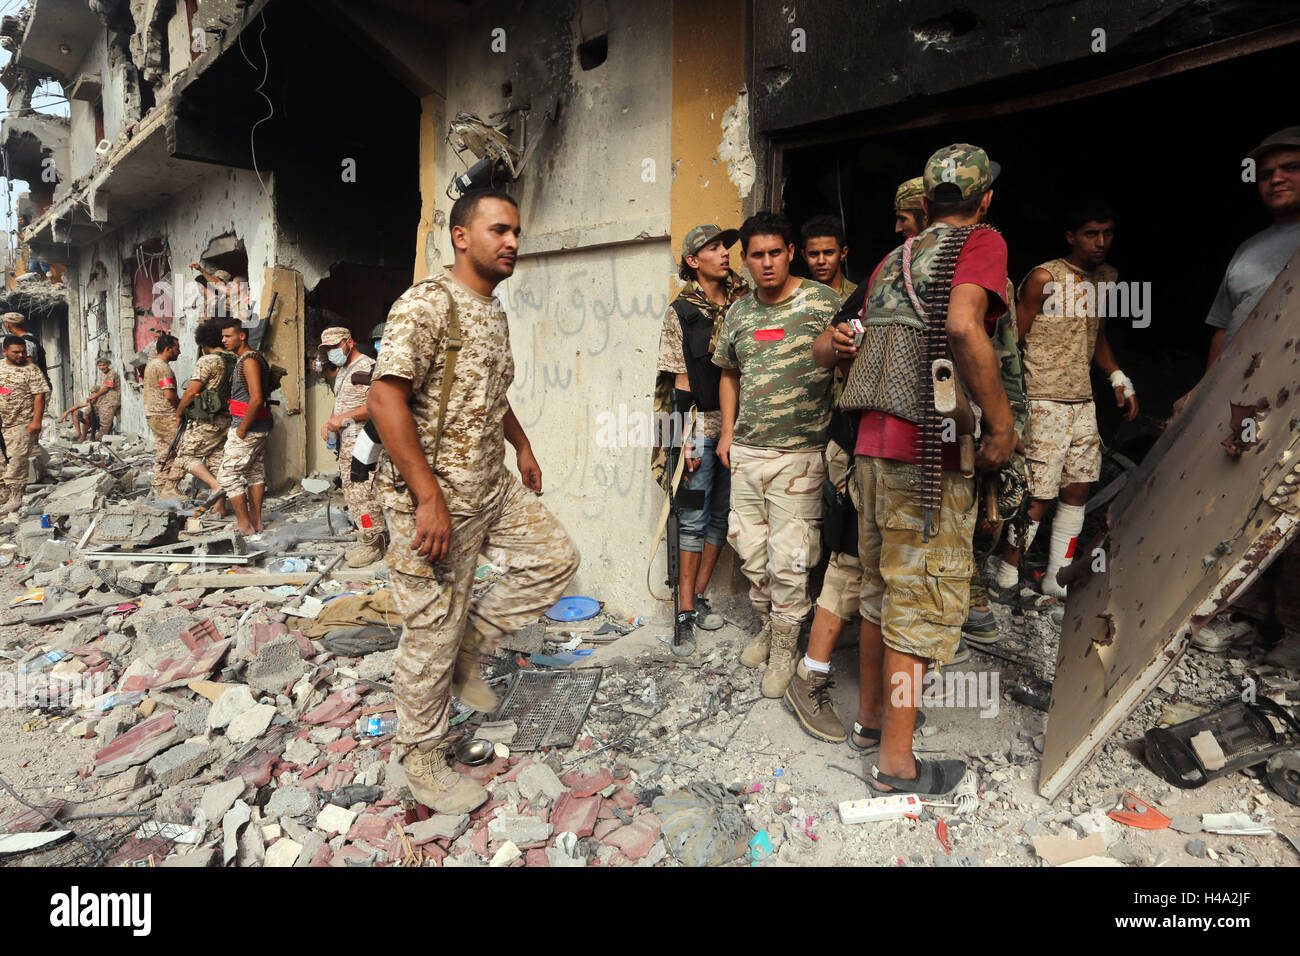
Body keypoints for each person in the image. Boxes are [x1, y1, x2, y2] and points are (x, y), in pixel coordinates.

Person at [368, 188, 580, 813]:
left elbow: (490, 390)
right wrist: (427, 497)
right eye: (498, 230)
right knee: (429, 633)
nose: (512, 241)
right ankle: (421, 759)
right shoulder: (429, 305)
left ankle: (471, 641)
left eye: (516, 230)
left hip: (489, 488)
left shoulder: (493, 311)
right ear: (462, 236)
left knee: (555, 559)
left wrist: (523, 446)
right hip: (431, 504)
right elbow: (385, 400)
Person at [815, 143, 1014, 795]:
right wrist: (1003, 424)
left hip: (871, 451)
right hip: (926, 456)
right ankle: (896, 764)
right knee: (921, 602)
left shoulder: (892, 259)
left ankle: (872, 721)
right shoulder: (981, 242)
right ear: (985, 199)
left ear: (926, 204)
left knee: (879, 593)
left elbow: (855, 347)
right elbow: (963, 326)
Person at [713, 211, 840, 698]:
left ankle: (786, 647)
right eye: (756, 255)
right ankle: (770, 624)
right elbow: (729, 372)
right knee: (749, 551)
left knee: (790, 559)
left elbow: (851, 362)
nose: (766, 263)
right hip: (747, 450)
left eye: (774, 253)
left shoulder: (822, 302)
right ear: (743, 260)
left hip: (801, 455)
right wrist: (727, 433)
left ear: (791, 252)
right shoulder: (740, 312)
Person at [992, 200, 1137, 604]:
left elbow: (1096, 336)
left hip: (1082, 402)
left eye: (1107, 233)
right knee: (1038, 493)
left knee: (1077, 490)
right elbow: (1012, 339)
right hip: (1042, 400)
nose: (1101, 242)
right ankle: (1005, 575)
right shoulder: (1044, 278)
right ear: (1071, 237)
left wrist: (1117, 377)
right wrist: (1004, 403)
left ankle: (1055, 581)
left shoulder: (1107, 278)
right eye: (1091, 234)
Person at [653, 224, 749, 647]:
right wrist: (685, 438)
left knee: (722, 517)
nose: (724, 253)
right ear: (694, 261)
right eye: (713, 248)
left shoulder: (744, 302)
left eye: (724, 246)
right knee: (691, 517)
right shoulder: (681, 312)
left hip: (741, 429)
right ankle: (684, 609)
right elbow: (677, 382)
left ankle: (701, 596)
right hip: (698, 430)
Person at [1193, 127, 1300, 385]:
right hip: (1242, 401)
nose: (1276, 179)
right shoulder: (1247, 250)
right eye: (1266, 174)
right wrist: (1203, 396)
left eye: (1291, 167)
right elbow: (1223, 329)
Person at [319, 324, 387, 567]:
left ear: (349, 342)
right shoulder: (344, 370)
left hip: (364, 444)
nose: (331, 352)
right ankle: (366, 536)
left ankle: (372, 543)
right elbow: (342, 403)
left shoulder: (367, 367)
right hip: (348, 444)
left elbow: (377, 405)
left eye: (335, 346)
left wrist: (339, 419)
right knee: (353, 494)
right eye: (327, 349)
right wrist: (330, 423)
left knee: (363, 494)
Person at [214, 318, 274, 534]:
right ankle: (257, 522)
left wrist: (241, 430)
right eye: (223, 336)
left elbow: (256, 399)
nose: (224, 340)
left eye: (228, 336)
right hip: (260, 424)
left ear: (242, 336)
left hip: (248, 426)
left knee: (228, 475)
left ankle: (244, 524)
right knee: (254, 472)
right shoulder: (252, 358)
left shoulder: (248, 360)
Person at [168, 320, 233, 518]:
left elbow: (191, 392)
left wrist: (179, 412)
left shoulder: (208, 360)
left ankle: (216, 486)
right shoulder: (234, 358)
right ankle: (219, 508)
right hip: (227, 419)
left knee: (186, 456)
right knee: (217, 461)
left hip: (208, 420)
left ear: (203, 343)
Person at [0, 335, 49, 515]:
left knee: (17, 460)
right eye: (16, 352)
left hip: (21, 422)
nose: (21, 355)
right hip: (2, 422)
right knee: (1, 462)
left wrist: (36, 421)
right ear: (5, 351)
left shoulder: (31, 369)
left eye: (23, 352)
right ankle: (3, 494)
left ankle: (16, 497)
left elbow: (40, 395)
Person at [143, 333, 182, 497]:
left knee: (165, 450)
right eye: (176, 349)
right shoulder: (162, 367)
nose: (179, 353)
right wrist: (182, 408)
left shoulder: (152, 364)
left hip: (153, 414)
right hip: (165, 414)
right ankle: (170, 487)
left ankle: (160, 485)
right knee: (184, 450)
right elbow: (169, 395)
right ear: (168, 349)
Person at [61, 358, 119, 442]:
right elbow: (79, 406)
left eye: (104, 365)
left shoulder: (111, 374)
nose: (102, 367)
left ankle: (99, 440)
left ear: (108, 364)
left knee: (105, 423)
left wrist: (95, 396)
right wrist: (66, 412)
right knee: (84, 413)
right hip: (102, 400)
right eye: (100, 365)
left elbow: (106, 388)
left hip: (111, 401)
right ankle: (82, 435)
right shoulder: (102, 374)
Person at [800, 215, 855, 301]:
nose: (821, 261)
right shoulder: (795, 298)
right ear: (804, 256)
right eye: (813, 254)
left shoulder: (859, 297)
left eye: (828, 253)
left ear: (843, 253)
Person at [1, 312, 50, 387]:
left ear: (8, 324)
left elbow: (28, 365)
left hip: (34, 387)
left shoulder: (26, 342)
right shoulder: (30, 338)